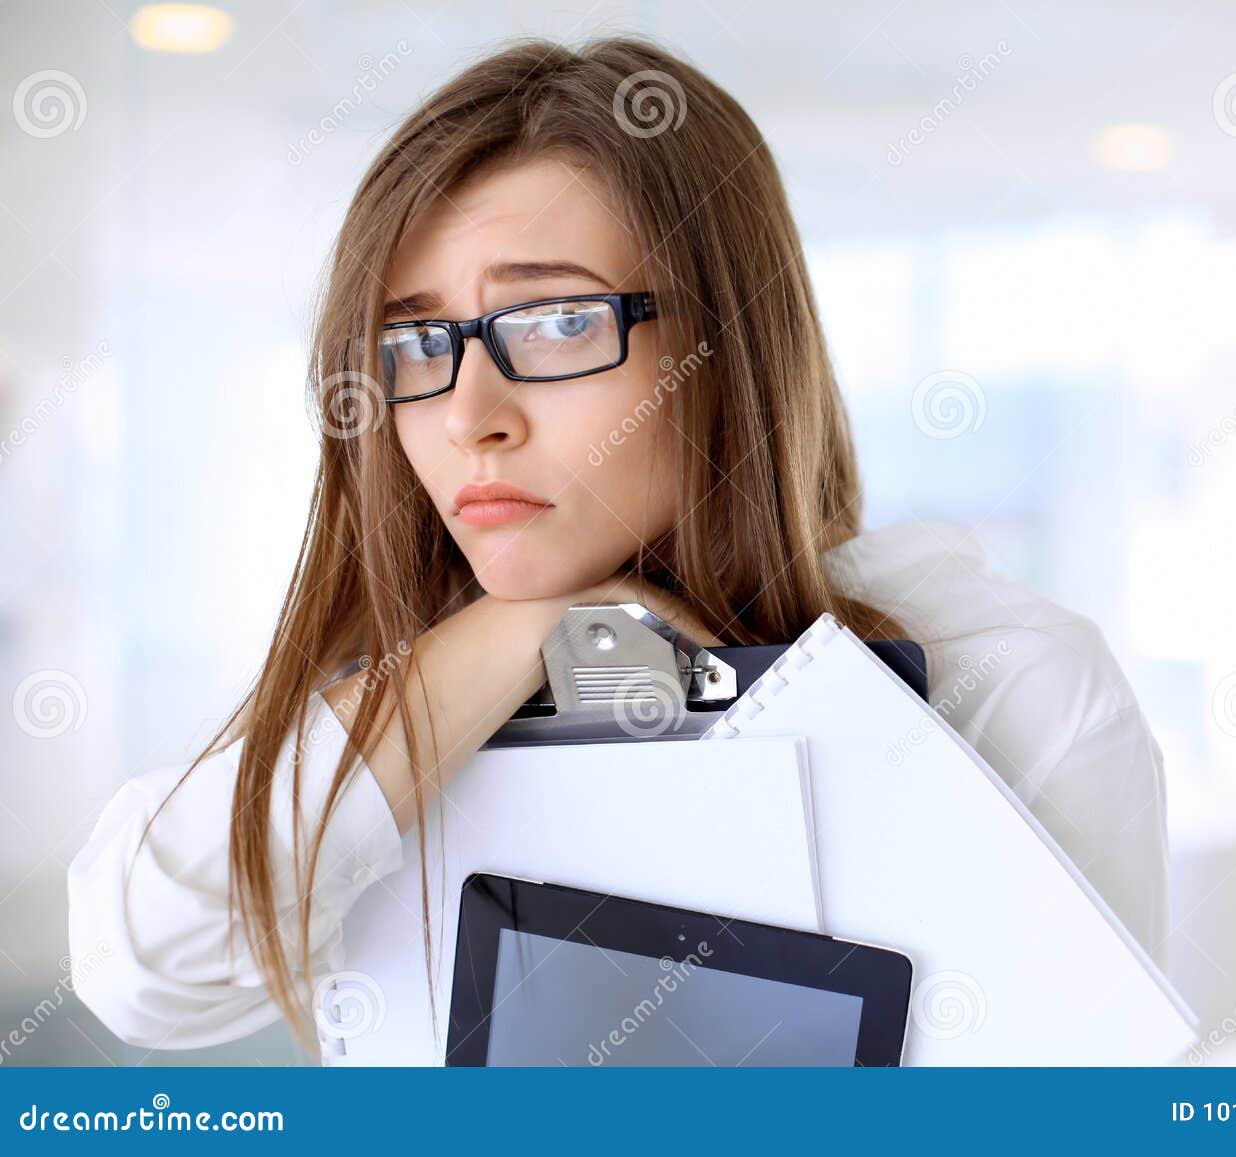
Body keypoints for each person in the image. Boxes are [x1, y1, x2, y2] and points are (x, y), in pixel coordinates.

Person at [66, 37, 1169, 1054]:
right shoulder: (416, 700)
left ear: (725, 348)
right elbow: (146, 962)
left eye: (555, 322)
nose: (468, 414)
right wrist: (529, 625)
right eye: (413, 342)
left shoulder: (1009, 680)